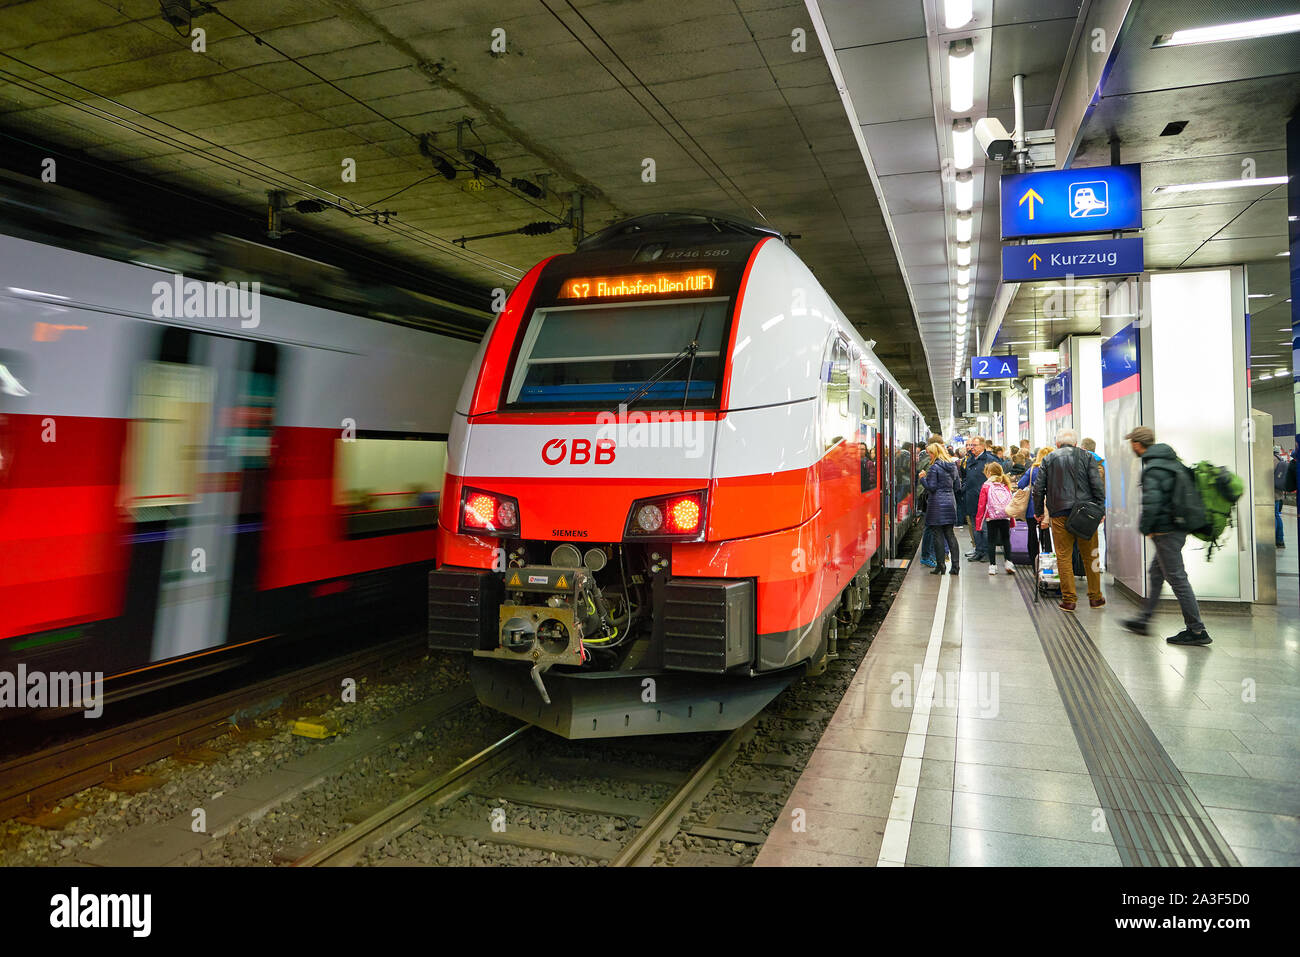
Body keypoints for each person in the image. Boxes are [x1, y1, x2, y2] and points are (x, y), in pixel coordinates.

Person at [1121, 427, 1210, 645]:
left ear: (1137, 444)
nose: (1131, 446)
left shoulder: (1153, 468)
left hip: (1166, 532)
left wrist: (1146, 527)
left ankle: (1197, 630)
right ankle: (1145, 618)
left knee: (1177, 578)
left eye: (1131, 442)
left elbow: (1152, 503)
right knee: (1156, 572)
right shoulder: (1171, 461)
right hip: (1176, 528)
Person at [1032, 428, 1105, 611]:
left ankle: (1069, 599)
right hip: (1085, 513)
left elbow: (1038, 488)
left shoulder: (1049, 459)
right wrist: (1100, 510)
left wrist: (1039, 511)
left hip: (1059, 513)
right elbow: (1097, 485)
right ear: (1075, 443)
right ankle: (1095, 597)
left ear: (1057, 444)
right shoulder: (1087, 457)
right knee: (1091, 555)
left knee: (1063, 557)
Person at [919, 443, 961, 575]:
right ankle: (955, 567)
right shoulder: (952, 466)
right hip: (950, 502)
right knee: (950, 535)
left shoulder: (934, 468)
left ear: (934, 453)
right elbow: (957, 486)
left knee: (937, 535)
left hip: (936, 504)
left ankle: (941, 566)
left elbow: (931, 487)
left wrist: (922, 479)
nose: (929, 456)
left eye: (929, 453)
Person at [975, 462, 1017, 575]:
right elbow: (1010, 503)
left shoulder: (986, 485)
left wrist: (978, 523)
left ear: (988, 473)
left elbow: (981, 505)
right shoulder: (1005, 484)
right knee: (1006, 539)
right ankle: (1008, 561)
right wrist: (1012, 519)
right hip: (1005, 516)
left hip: (991, 517)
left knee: (991, 541)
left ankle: (993, 566)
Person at [960, 437, 997, 562]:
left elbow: (997, 477)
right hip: (971, 498)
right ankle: (979, 550)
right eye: (970, 445)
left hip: (985, 500)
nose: (971, 447)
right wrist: (964, 487)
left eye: (974, 445)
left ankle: (986, 552)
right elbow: (965, 476)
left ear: (982, 446)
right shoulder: (970, 459)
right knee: (976, 527)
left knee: (985, 527)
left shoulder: (989, 460)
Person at [1017, 447, 1054, 566]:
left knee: (1032, 536)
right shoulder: (1054, 470)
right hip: (1050, 508)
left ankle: (1035, 565)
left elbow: (1021, 484)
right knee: (1048, 537)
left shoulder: (1033, 469)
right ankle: (1048, 564)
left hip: (1032, 508)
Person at [1273, 446, 1288, 548]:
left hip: (1272, 493)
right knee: (1277, 515)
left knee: (1273, 516)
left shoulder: (1271, 459)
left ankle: (1275, 539)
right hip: (1279, 493)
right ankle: (1280, 540)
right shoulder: (1279, 459)